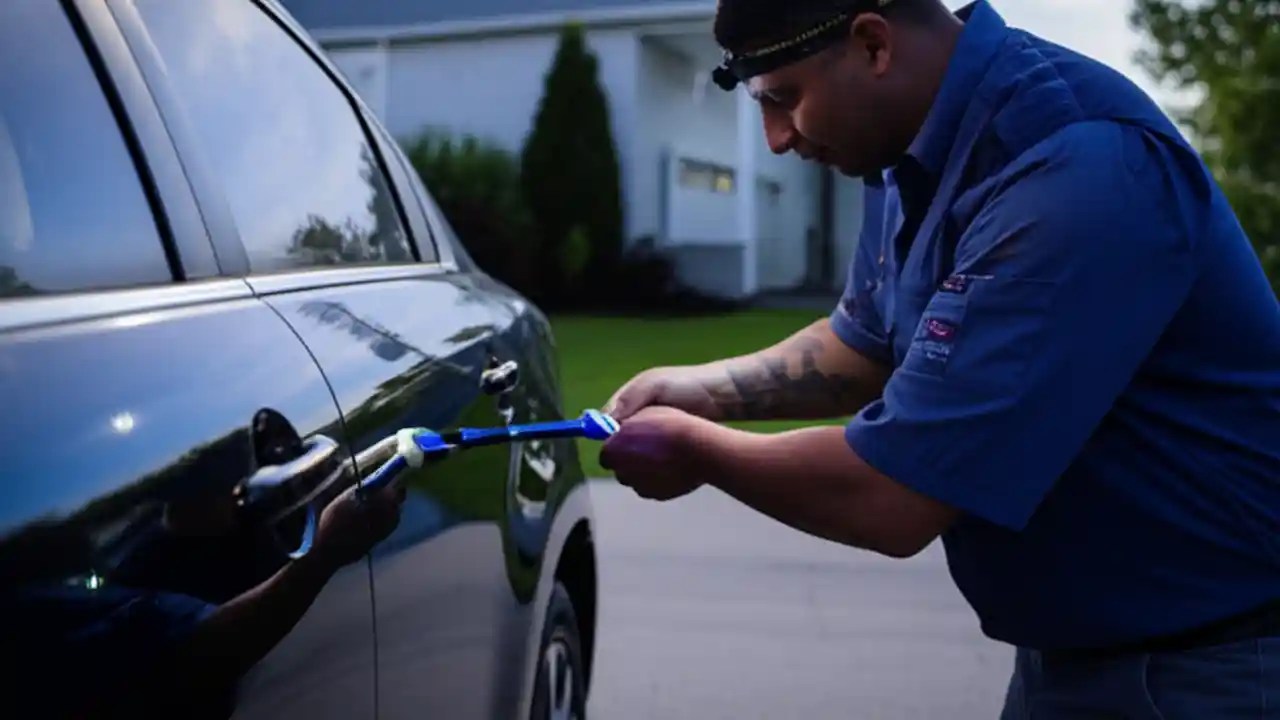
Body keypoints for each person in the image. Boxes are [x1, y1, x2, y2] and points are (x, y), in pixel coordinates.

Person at [599, 0, 1280, 716]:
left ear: (871, 44)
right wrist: (694, 389)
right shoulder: (909, 152)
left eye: (785, 100)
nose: (774, 139)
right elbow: (862, 346)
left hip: (1212, 670)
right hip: (1079, 658)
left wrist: (698, 451)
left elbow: (892, 497)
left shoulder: (1078, 168)